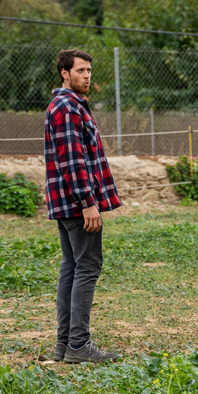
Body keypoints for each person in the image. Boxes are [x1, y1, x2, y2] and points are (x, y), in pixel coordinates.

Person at [44, 48, 122, 364]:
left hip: (67, 201)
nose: (87, 75)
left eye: (89, 70)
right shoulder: (67, 108)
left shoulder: (69, 106)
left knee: (72, 267)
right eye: (80, 71)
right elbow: (73, 160)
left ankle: (65, 345)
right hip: (76, 203)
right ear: (65, 73)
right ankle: (78, 345)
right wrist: (88, 202)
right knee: (87, 266)